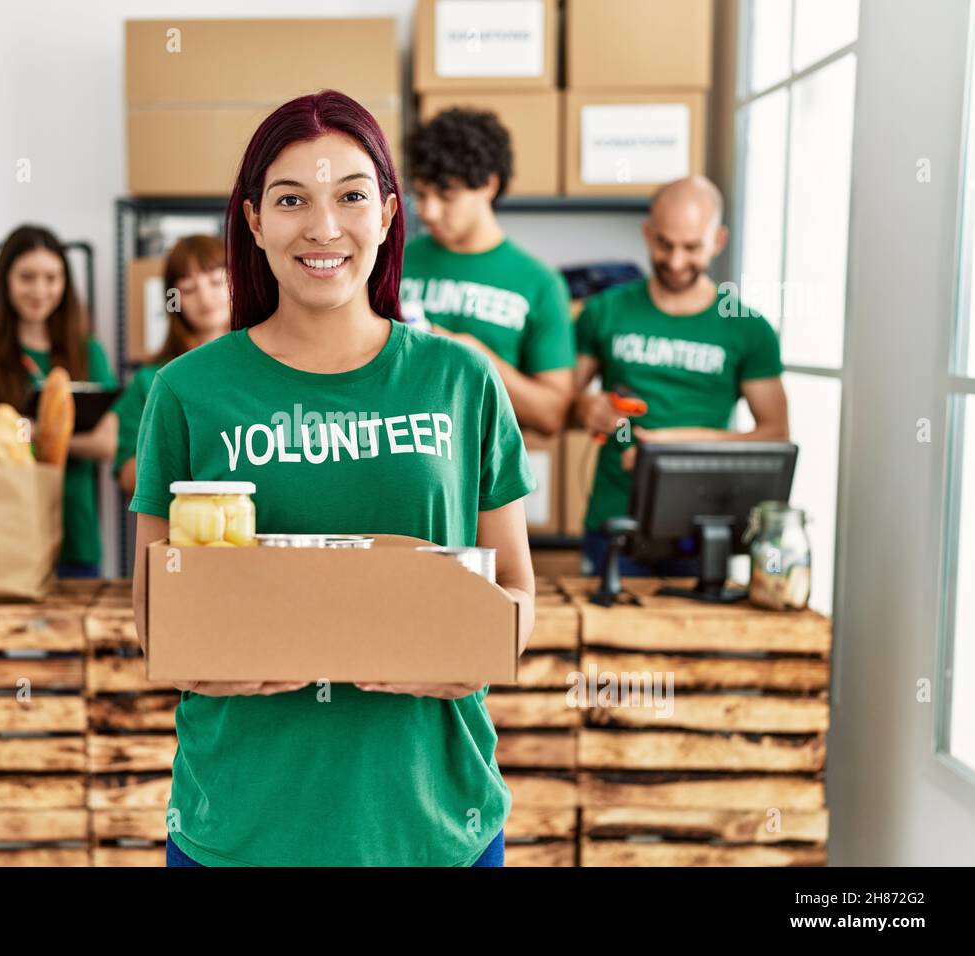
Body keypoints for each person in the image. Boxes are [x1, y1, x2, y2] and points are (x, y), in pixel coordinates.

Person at [128, 90, 538, 867]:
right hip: (241, 831)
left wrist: (476, 651)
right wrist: (209, 659)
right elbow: (154, 617)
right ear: (253, 222)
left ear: (387, 214)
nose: (323, 228)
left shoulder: (461, 380)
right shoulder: (186, 392)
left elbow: (517, 593)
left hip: (436, 826)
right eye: (292, 200)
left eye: (350, 196)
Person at [574, 175, 790, 575]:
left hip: (704, 530)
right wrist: (586, 407)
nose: (675, 262)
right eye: (664, 244)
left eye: (692, 248)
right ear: (647, 233)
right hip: (615, 521)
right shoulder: (604, 311)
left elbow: (775, 435)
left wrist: (673, 448)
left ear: (719, 241)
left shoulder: (747, 328)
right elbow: (558, 405)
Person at [0, 225, 117, 578]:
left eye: (52, 278)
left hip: (73, 533)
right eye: (27, 277)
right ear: (5, 280)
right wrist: (59, 437)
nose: (40, 290)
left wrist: (28, 433)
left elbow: (106, 443)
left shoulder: (87, 353)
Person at [401, 107, 574, 435]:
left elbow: (551, 415)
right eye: (421, 195)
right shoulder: (390, 264)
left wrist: (477, 359)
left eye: (446, 194)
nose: (429, 212)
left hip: (486, 476)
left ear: (489, 185)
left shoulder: (540, 283)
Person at [112, 234, 230, 497]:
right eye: (188, 289)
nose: (205, 297)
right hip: (185, 525)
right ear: (172, 301)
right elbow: (128, 476)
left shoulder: (262, 363)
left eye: (215, 282)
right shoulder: (152, 379)